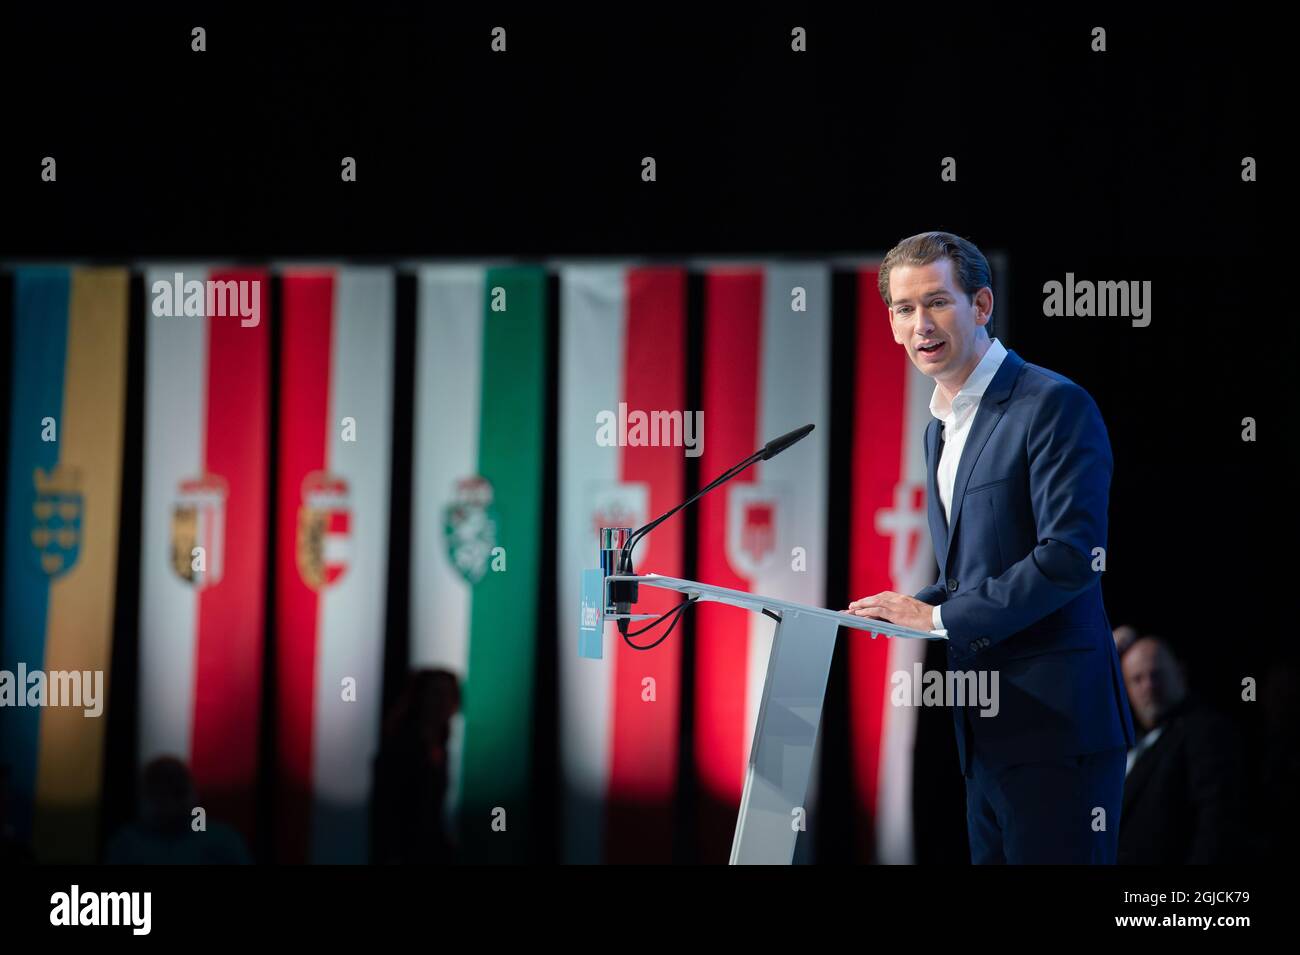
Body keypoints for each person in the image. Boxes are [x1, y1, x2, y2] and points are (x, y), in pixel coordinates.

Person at [848, 231, 1135, 863]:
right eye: (903, 309)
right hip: (984, 735)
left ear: (981, 306)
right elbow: (975, 568)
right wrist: (910, 607)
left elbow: (1070, 557)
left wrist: (942, 619)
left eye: (937, 302)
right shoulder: (940, 428)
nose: (921, 324)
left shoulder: (1052, 404)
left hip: (1057, 733)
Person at [1117, 635, 1250, 863]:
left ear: (1180, 672)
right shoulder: (1131, 744)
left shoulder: (1204, 730)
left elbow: (1217, 821)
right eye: (1137, 679)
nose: (1149, 686)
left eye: (1156, 674)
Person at [105, 757, 251, 864]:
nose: (170, 802)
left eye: (177, 792)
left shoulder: (222, 840)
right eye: (160, 793)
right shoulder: (127, 844)